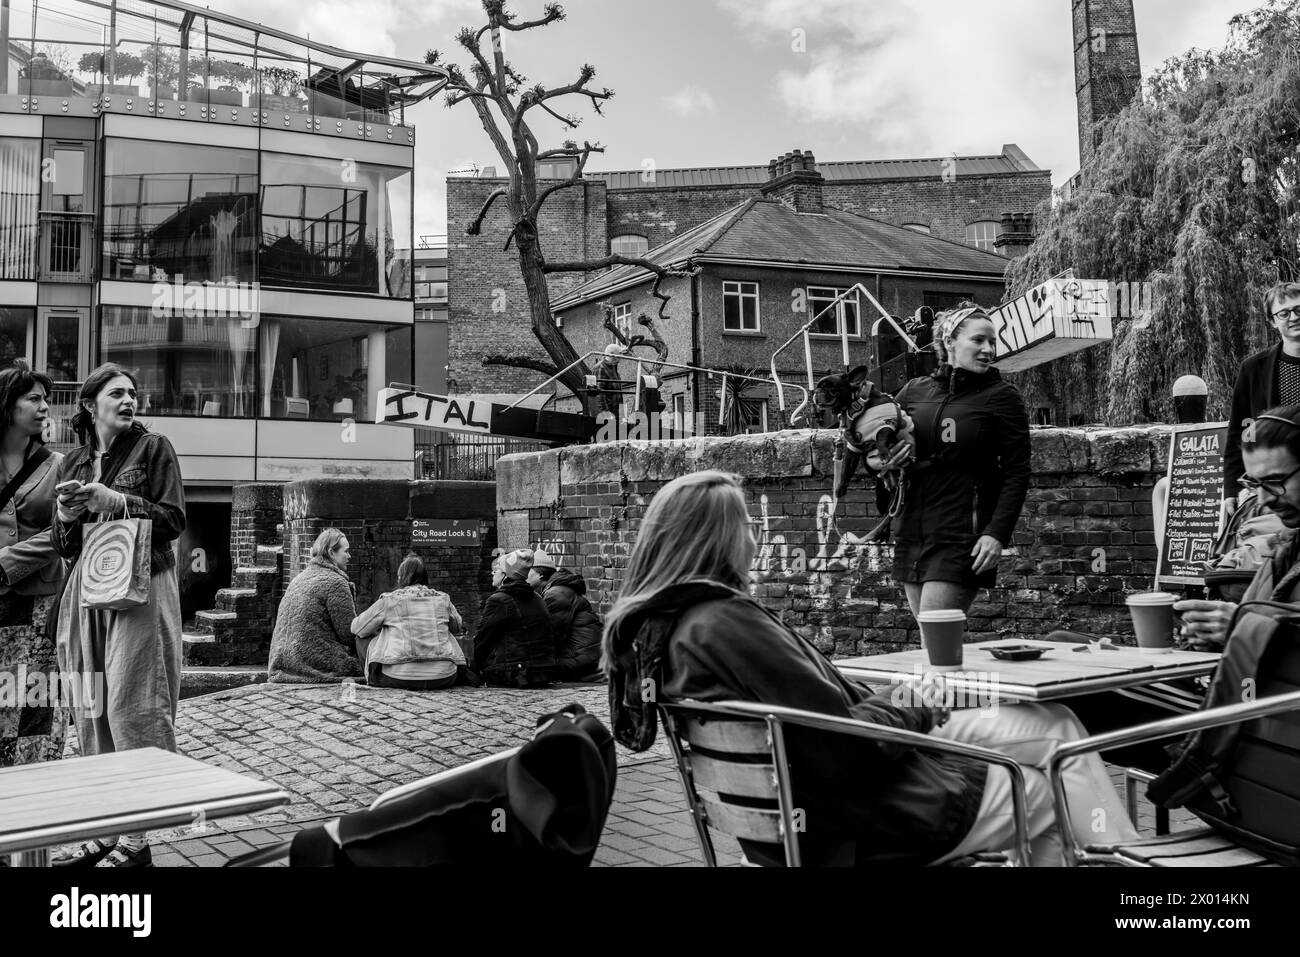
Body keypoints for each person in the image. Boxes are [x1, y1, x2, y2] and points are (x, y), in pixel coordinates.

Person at [604, 471, 1137, 867]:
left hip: (805, 818)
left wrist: (904, 700)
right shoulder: (725, 623)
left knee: (1053, 725)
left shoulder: (670, 631)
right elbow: (850, 745)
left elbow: (818, 715)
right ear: (716, 539)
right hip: (868, 821)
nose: (754, 537)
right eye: (745, 524)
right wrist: (918, 702)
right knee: (1045, 780)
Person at [52, 363, 186, 868]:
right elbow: (65, 546)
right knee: (92, 712)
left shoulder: (155, 449)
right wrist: (67, 515)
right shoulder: (73, 463)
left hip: (143, 587)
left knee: (135, 708)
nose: (129, 399)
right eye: (117, 393)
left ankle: (137, 840)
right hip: (88, 590)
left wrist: (120, 501)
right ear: (91, 405)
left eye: (133, 393)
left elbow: (174, 519)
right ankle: (107, 829)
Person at [885, 303, 1031, 617]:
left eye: (993, 341)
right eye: (978, 340)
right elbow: (878, 445)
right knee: (933, 645)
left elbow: (1018, 472)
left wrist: (996, 534)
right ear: (950, 341)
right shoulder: (913, 391)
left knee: (936, 632)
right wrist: (885, 458)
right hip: (913, 529)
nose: (988, 349)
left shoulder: (1002, 397)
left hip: (963, 533)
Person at [0, 361, 66, 768]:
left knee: (35, 699)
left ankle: (32, 788)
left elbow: (65, 530)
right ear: (8, 406)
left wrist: (7, 561)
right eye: (34, 399)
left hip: (40, 603)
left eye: (46, 400)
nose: (45, 408)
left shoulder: (59, 465)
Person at [1222, 282, 1300, 518]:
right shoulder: (1254, 369)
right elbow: (1242, 430)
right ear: (1273, 321)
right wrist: (1233, 488)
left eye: (1299, 310)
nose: (1293, 317)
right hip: (1274, 485)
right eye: (1284, 313)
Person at [351, 553, 465, 690]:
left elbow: (357, 628)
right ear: (424, 577)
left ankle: (372, 678)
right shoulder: (443, 599)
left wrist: (382, 630)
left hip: (399, 677)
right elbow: (458, 627)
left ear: (401, 577)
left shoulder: (390, 600)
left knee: (361, 638)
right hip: (444, 676)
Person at [268, 528, 361, 684]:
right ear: (332, 553)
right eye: (346, 551)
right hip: (314, 663)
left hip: (282, 662)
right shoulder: (335, 582)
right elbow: (348, 634)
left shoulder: (298, 579)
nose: (349, 556)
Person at [473, 548, 555, 687]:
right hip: (543, 671)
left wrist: (474, 670)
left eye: (496, 570)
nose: (492, 573)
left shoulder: (499, 600)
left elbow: (483, 640)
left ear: (506, 575)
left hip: (515, 674)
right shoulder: (537, 598)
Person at [539, 557, 603, 683]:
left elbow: (553, 636)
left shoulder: (555, 594)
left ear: (539, 575)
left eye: (529, 572)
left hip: (580, 660)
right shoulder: (561, 590)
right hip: (587, 656)